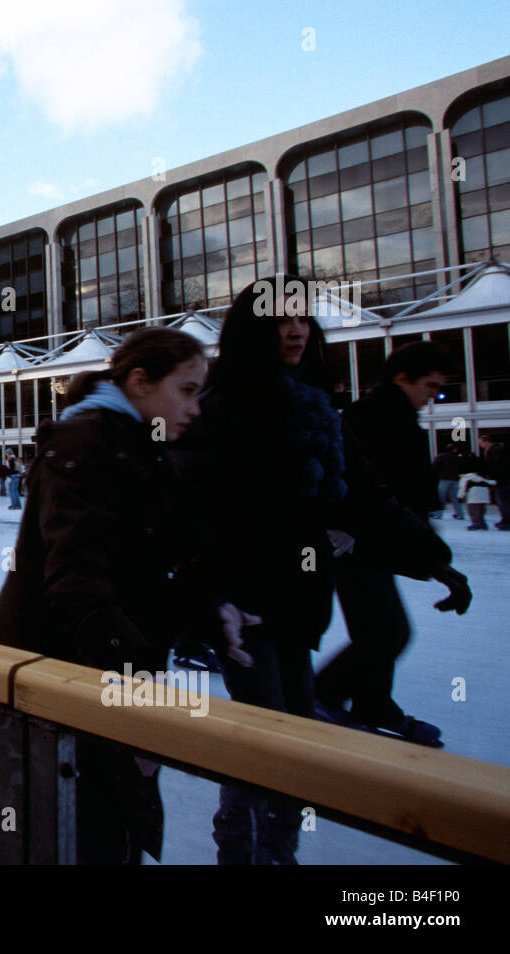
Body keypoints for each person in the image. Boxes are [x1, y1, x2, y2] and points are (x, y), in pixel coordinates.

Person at [172, 276, 467, 865]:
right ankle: (253, 855)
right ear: (254, 329)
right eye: (282, 319)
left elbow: (365, 495)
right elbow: (187, 511)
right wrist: (209, 592)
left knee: (288, 737)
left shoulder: (315, 407)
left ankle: (262, 852)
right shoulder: (218, 408)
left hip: (298, 602)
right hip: (240, 606)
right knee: (273, 742)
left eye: (303, 318)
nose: (297, 329)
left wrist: (435, 558)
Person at [0, 327, 240, 865]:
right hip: (56, 683)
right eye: (186, 389)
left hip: (89, 681)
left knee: (82, 833)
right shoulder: (85, 443)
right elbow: (76, 580)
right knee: (41, 832)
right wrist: (139, 692)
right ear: (138, 381)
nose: (196, 408)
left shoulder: (141, 447)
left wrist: (211, 608)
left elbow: (158, 560)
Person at [314, 342, 471, 746]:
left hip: (377, 542)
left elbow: (403, 498)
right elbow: (360, 488)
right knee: (385, 632)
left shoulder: (400, 421)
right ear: (402, 378)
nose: (432, 396)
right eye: (429, 386)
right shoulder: (371, 418)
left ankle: (366, 702)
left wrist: (428, 556)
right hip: (353, 543)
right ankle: (327, 696)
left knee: (382, 631)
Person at [477, 433, 509, 529]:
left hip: (502, 480)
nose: (480, 445)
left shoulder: (494, 451)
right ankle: (505, 520)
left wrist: (491, 476)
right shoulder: (499, 449)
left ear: (487, 441)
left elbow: (495, 466)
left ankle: (507, 522)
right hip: (503, 479)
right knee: (503, 501)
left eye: (481, 443)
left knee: (503, 501)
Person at [432, 443, 468, 520]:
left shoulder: (441, 456)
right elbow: (463, 467)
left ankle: (438, 514)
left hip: (444, 479)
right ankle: (460, 514)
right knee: (455, 498)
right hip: (455, 479)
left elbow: (434, 466)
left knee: (441, 497)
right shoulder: (458, 458)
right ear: (454, 449)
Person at [459, 465, 496, 530]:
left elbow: (463, 487)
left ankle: (477, 523)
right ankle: (482, 523)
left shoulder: (466, 477)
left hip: (473, 496)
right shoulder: (480, 476)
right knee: (481, 510)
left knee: (473, 510)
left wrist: (460, 496)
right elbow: (490, 483)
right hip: (484, 495)